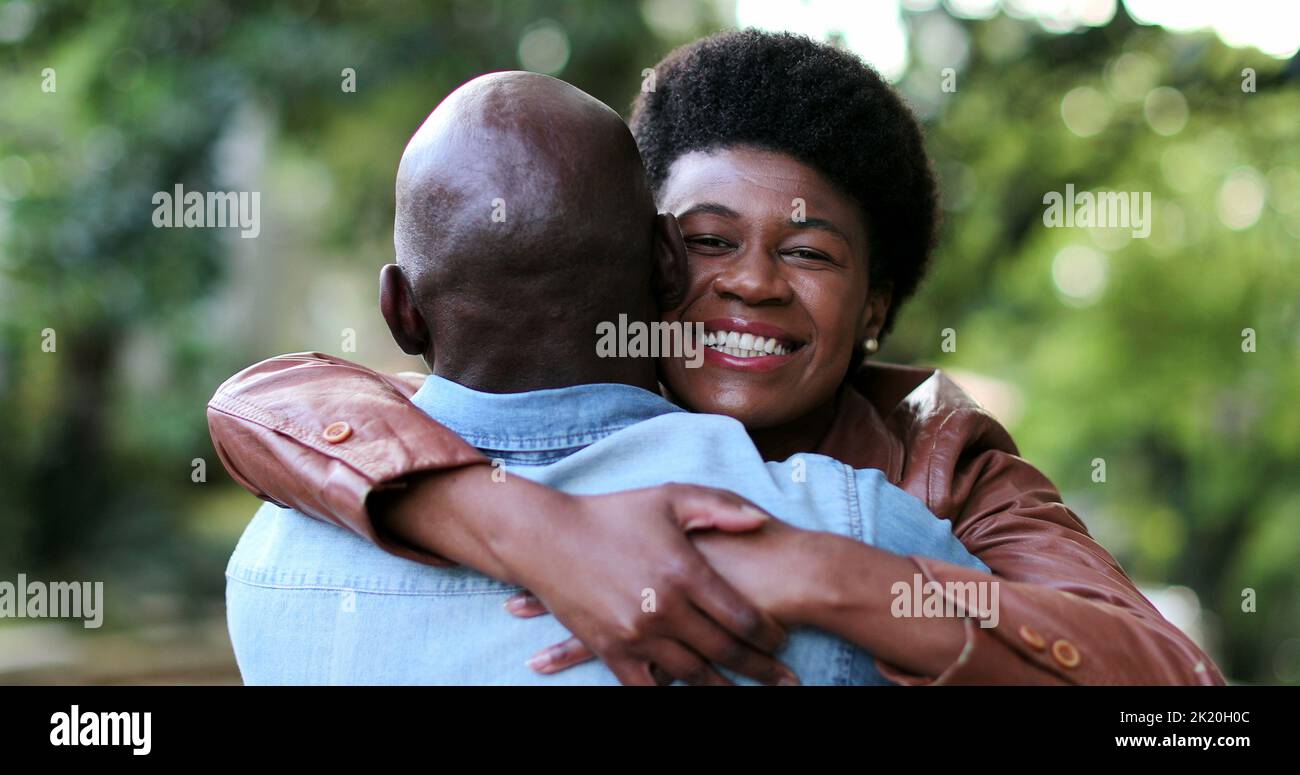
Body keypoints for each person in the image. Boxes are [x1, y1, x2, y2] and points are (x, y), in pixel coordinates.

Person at [211, 31, 1223, 685]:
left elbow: (1176, 695)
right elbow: (267, 400)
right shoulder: (501, 413)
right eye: (707, 239)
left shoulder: (949, 473)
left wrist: (814, 567)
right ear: (647, 260)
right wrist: (532, 527)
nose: (752, 282)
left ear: (874, 306)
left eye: (809, 251)